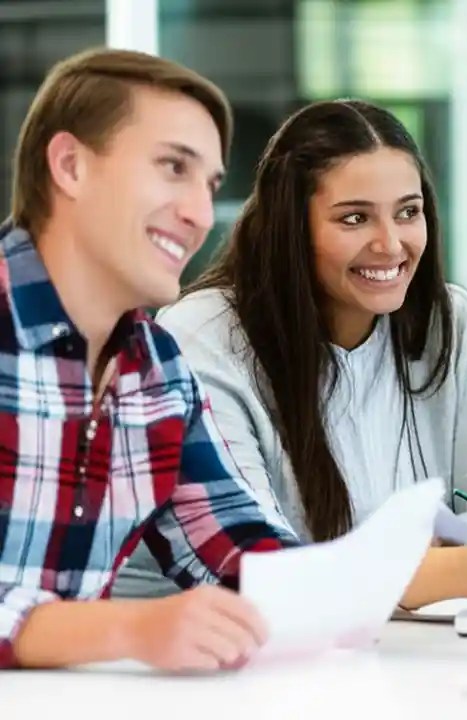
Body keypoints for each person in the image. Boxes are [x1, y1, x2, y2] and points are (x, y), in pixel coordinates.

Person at [114, 99, 467, 608]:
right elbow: (259, 572)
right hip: (200, 662)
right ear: (292, 228)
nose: (391, 244)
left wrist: (420, 569)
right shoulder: (201, 339)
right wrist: (426, 569)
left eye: (408, 213)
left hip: (384, 646)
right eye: (355, 219)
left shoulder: (448, 322)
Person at [0, 49, 300, 671]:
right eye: (172, 168)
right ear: (71, 166)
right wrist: (128, 629)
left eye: (210, 185)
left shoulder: (156, 368)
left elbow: (237, 545)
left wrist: (346, 582)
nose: (199, 214)